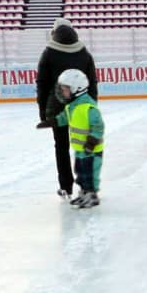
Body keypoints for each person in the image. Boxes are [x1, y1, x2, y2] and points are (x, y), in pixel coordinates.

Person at [36, 18, 98, 200]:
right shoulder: (84, 53)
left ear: (54, 33)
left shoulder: (48, 54)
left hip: (57, 108)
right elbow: (92, 82)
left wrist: (43, 111)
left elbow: (42, 84)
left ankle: (66, 187)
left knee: (61, 147)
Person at [38, 69, 104, 209]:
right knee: (80, 172)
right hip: (80, 149)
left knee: (90, 173)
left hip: (91, 150)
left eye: (65, 89)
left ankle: (92, 195)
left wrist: (91, 142)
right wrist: (52, 122)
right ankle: (84, 193)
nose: (62, 92)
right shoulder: (71, 106)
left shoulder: (88, 107)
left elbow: (98, 127)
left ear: (77, 89)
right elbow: (64, 118)